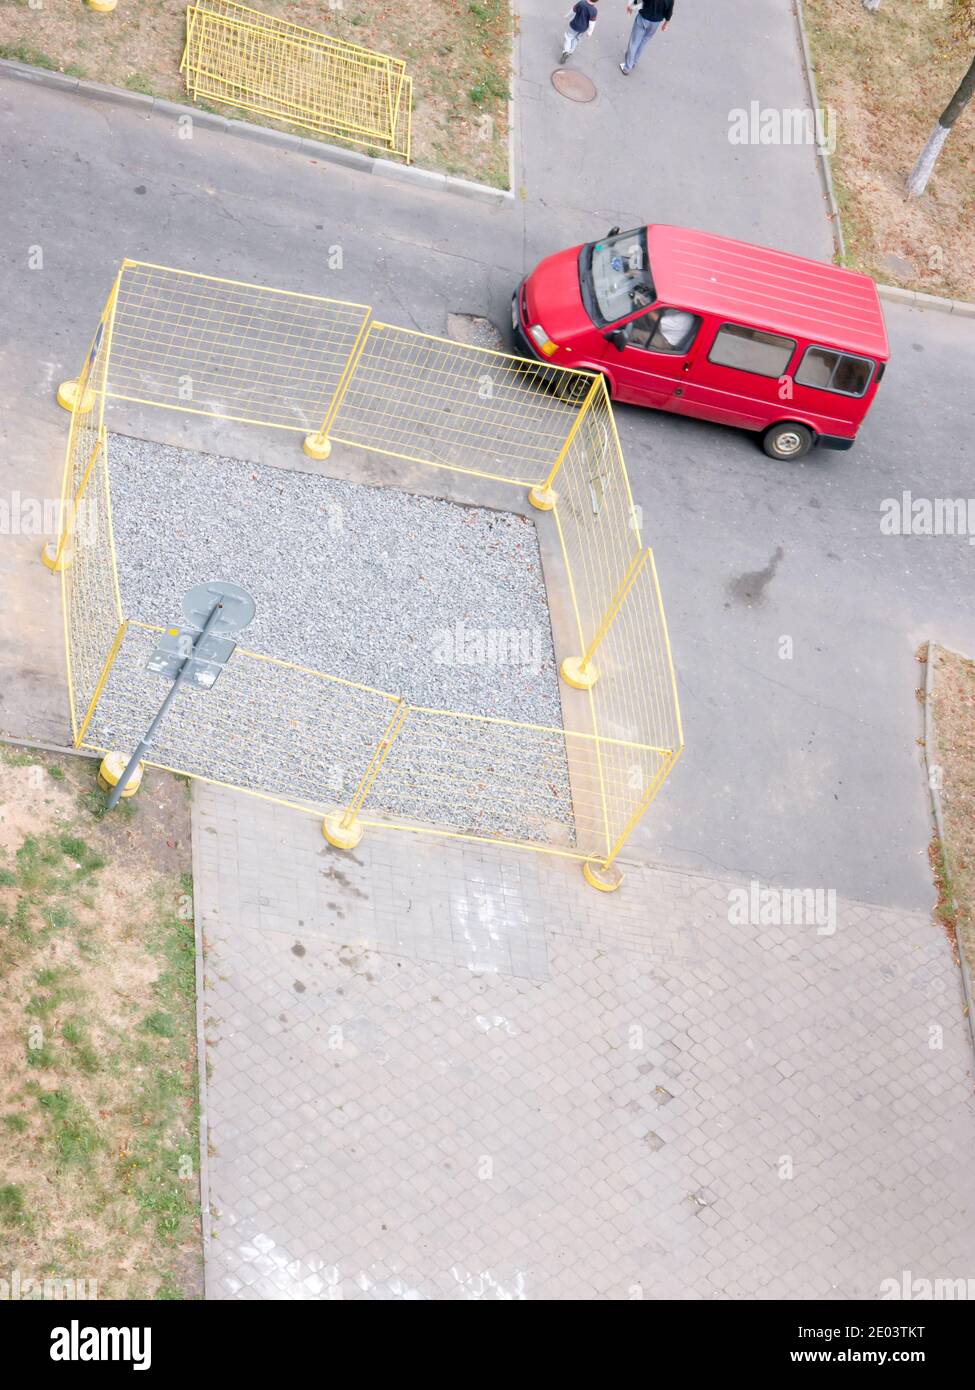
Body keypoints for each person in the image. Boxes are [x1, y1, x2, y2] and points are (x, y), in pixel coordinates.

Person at [619, 0, 673, 76]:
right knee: (643, 42)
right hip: (655, 23)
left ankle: (627, 67)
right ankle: (633, 61)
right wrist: (666, 24)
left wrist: (631, 7)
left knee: (634, 43)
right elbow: (669, 11)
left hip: (643, 18)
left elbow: (639, 1)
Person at [561, 0, 600, 65]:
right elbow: (592, 23)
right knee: (576, 39)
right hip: (583, 29)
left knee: (568, 37)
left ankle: (566, 51)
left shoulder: (581, 3)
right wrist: (590, 32)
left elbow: (573, 11)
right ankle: (570, 52)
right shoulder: (594, 10)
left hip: (574, 25)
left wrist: (567, 16)